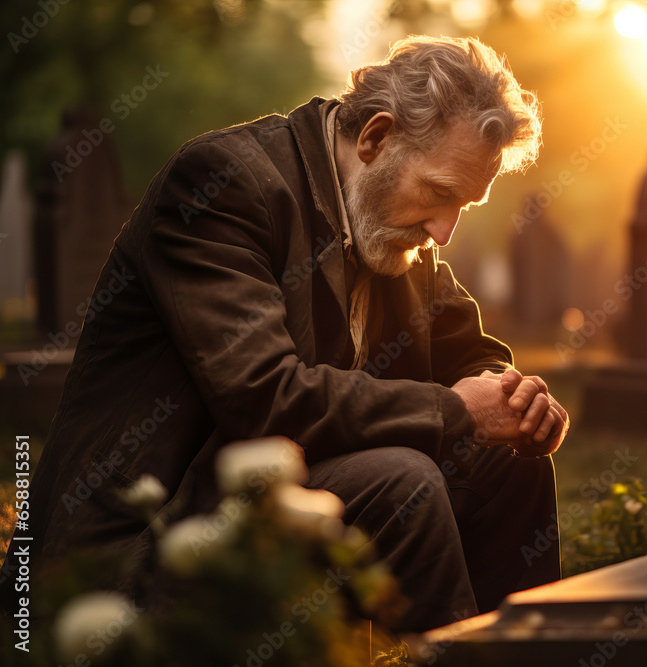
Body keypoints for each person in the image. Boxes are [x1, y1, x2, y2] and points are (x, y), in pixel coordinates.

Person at [0, 35, 568, 633]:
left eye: (465, 206)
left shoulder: (393, 223)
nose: (445, 229)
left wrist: (513, 401)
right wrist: (459, 411)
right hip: (148, 538)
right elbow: (263, 396)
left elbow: (470, 351)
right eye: (440, 194)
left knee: (510, 465)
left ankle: (525, 651)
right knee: (403, 479)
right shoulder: (223, 186)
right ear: (376, 138)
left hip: (274, 500)